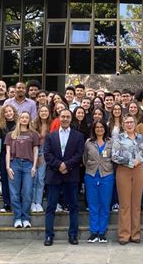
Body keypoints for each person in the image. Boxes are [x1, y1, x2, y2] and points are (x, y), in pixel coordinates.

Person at [44, 109, 85, 246]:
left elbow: (79, 155)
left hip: (71, 175)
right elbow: (47, 154)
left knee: (73, 206)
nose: (65, 119)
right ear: (59, 118)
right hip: (54, 175)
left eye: (68, 117)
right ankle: (49, 236)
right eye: (63, 117)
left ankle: (73, 235)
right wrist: (59, 165)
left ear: (71, 118)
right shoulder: (50, 136)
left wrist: (66, 165)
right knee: (50, 207)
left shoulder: (78, 136)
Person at [111, 114, 143, 245]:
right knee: (125, 204)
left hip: (138, 170)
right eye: (127, 122)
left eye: (131, 122)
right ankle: (124, 235)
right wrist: (130, 161)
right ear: (123, 124)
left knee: (136, 205)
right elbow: (114, 156)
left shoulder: (141, 138)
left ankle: (135, 234)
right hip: (124, 170)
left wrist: (138, 161)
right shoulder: (118, 138)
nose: (129, 124)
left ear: (135, 123)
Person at [5, 111, 39, 228]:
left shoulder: (33, 134)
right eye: (22, 117)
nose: (24, 119)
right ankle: (17, 218)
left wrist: (34, 166)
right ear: (19, 119)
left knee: (28, 192)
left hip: (28, 165)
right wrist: (8, 167)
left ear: (29, 120)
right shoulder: (11, 134)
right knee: (14, 193)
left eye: (26, 118)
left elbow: (35, 151)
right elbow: (8, 152)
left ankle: (26, 218)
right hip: (15, 164)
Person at [83, 120, 114, 243]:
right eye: (97, 127)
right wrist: (92, 166)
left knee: (105, 204)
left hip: (107, 175)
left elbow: (114, 157)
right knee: (93, 204)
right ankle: (93, 232)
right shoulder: (88, 142)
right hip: (91, 174)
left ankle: (102, 232)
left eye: (101, 127)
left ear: (105, 129)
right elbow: (84, 158)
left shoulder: (111, 142)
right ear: (94, 129)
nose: (99, 129)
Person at [0, 104, 18, 213]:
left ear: (14, 111)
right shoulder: (0, 126)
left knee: (16, 178)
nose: (8, 113)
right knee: (4, 179)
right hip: (4, 153)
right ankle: (6, 203)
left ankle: (17, 202)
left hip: (18, 154)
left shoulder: (19, 123)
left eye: (10, 111)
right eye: (6, 112)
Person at [32, 105, 51, 212]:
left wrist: (43, 156)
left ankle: (38, 202)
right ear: (38, 112)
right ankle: (31, 202)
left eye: (46, 111)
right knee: (33, 178)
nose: (44, 113)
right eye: (42, 111)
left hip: (46, 152)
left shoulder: (51, 124)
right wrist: (36, 155)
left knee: (40, 179)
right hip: (34, 150)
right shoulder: (34, 123)